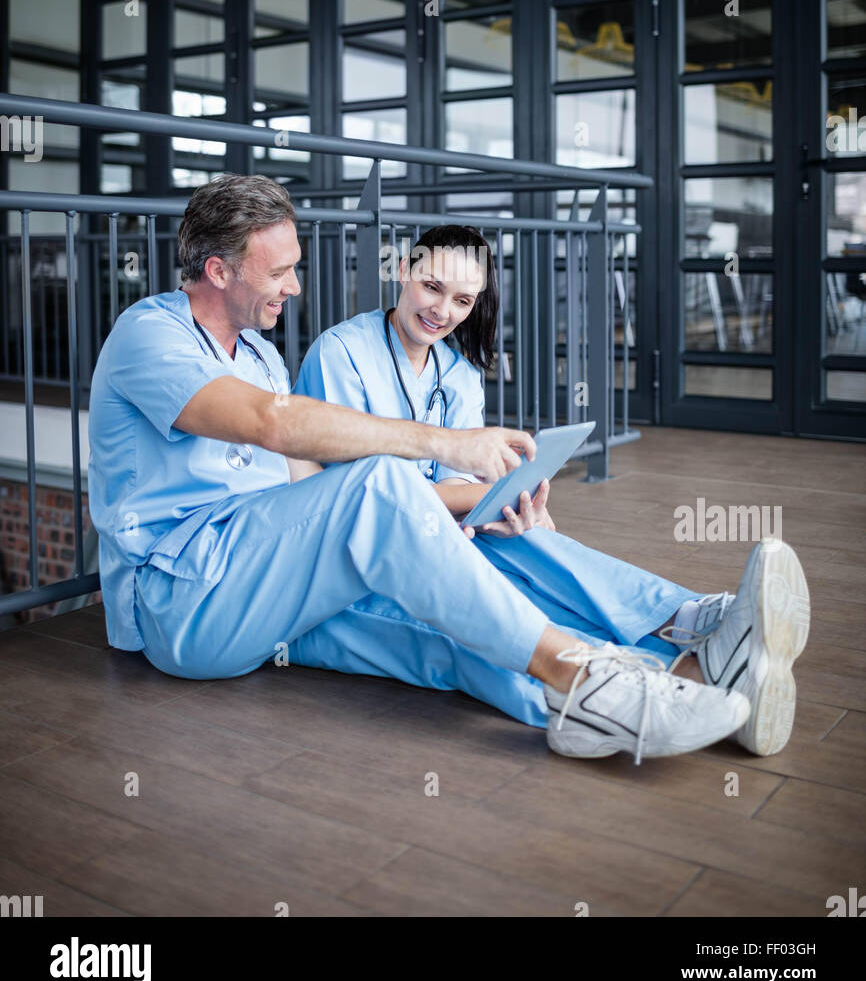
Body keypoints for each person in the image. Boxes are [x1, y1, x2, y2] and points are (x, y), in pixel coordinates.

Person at [84, 176, 795, 768]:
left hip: (266, 580)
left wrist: (463, 510)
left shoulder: (262, 356)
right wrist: (448, 449)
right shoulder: (151, 334)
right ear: (218, 271)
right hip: (181, 598)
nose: (296, 286)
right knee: (385, 489)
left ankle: (676, 672)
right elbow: (273, 425)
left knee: (450, 605)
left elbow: (302, 489)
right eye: (280, 272)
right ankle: (583, 672)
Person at [291, 223, 810, 757]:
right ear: (402, 271)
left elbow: (452, 484)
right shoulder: (342, 353)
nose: (442, 311)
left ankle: (699, 631)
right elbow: (359, 497)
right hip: (358, 552)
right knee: (490, 615)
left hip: (433, 530)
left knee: (527, 540)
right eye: (431, 287)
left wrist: (506, 506)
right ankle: (681, 680)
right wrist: (484, 498)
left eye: (462, 299)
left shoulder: (458, 370)